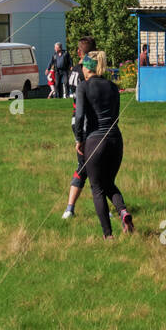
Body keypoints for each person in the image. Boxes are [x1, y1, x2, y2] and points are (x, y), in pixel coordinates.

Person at [71, 51, 133, 239]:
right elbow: (116, 115)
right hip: (116, 140)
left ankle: (108, 235)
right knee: (108, 183)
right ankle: (123, 212)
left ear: (86, 69)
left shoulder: (83, 87)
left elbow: (80, 116)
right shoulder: (113, 87)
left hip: (95, 141)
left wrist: (79, 139)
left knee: (97, 188)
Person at [62, 36, 96, 218]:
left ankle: (69, 209)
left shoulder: (74, 70)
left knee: (83, 164)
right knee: (90, 166)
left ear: (79, 52)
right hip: (87, 121)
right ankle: (70, 208)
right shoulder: (88, 70)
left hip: (75, 118)